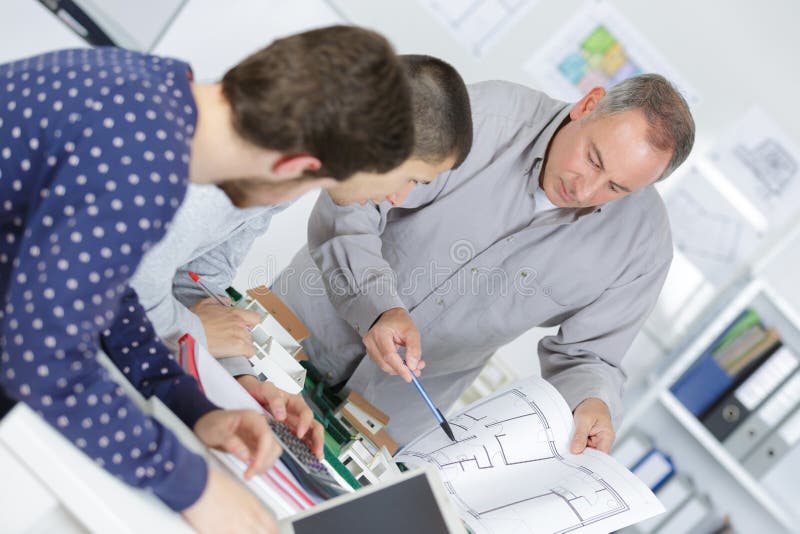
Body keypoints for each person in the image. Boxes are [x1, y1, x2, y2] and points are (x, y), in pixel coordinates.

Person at [0, 25, 413, 533]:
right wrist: (193, 483)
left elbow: (108, 296)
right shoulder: (142, 164)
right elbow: (40, 359)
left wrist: (192, 406)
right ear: (295, 167)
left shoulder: (152, 96)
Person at [272, 73, 696, 453]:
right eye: (593, 160)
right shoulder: (486, 118)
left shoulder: (642, 247)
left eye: (617, 187)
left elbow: (589, 356)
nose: (586, 191)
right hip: (291, 334)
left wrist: (592, 402)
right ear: (588, 105)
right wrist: (378, 306)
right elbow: (353, 200)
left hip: (384, 419)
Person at [128, 55, 472, 454]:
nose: (399, 198)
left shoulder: (291, 172)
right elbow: (126, 286)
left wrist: (243, 382)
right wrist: (198, 332)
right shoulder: (231, 157)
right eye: (411, 178)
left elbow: (197, 276)